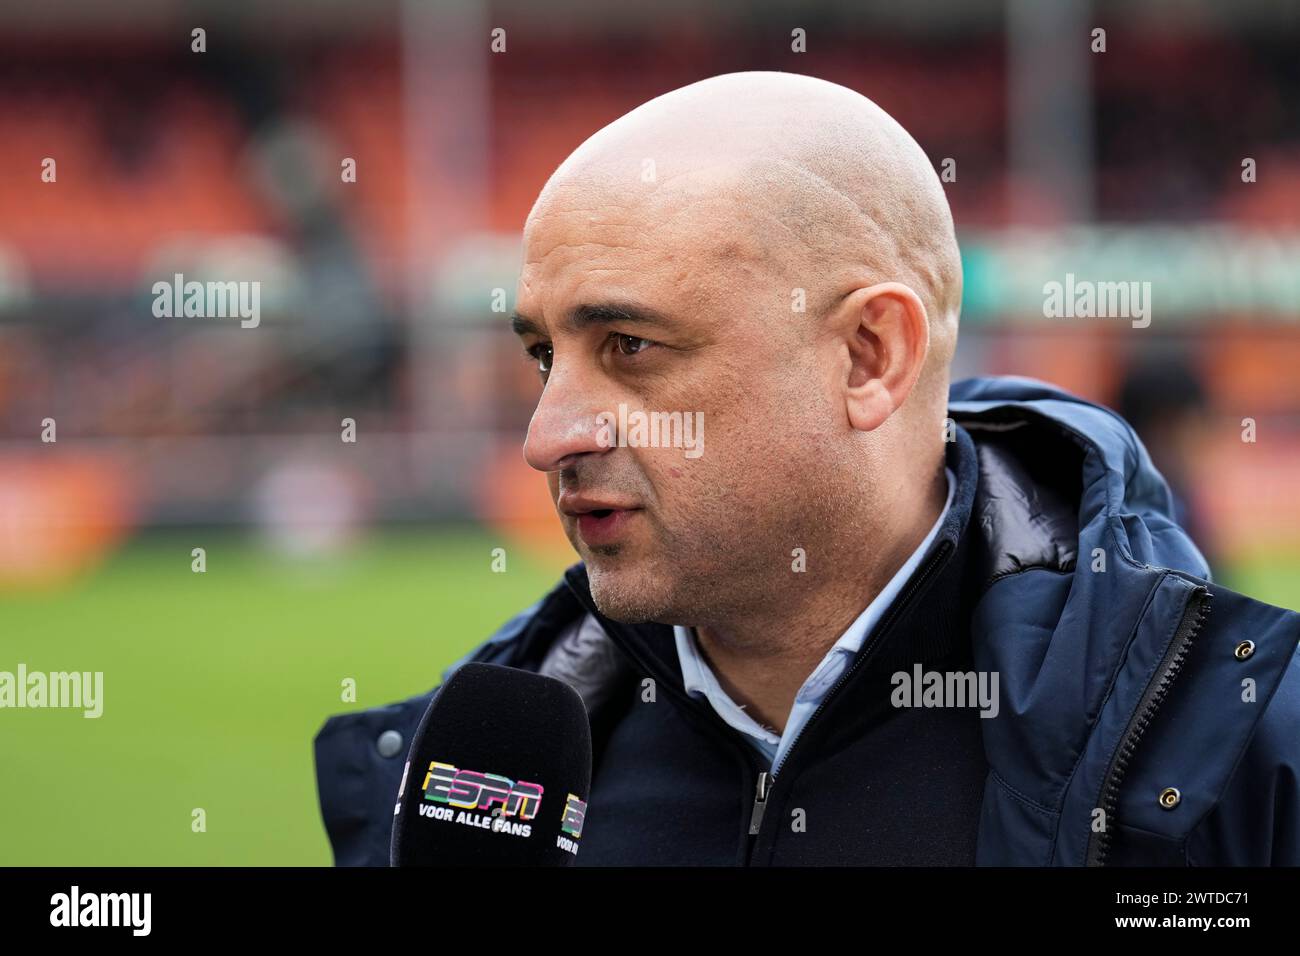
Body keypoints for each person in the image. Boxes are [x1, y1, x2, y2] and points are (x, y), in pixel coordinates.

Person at [315, 72, 1299, 866]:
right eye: (543, 356)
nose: (547, 433)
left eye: (627, 347)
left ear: (868, 356)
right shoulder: (476, 785)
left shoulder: (1242, 763)